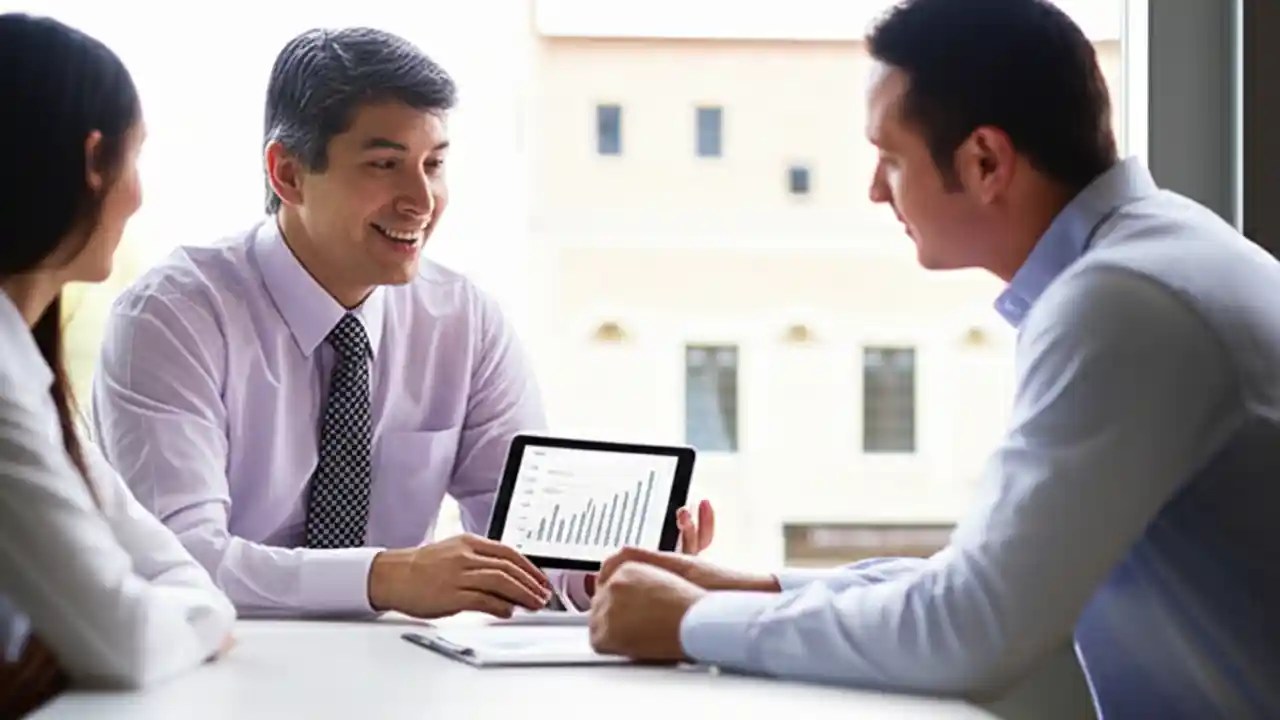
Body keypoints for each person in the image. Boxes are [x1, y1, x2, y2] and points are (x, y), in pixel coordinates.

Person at [586, 0, 1280, 717]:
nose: (874, 189)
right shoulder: (1158, 258)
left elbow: (972, 627)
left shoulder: (1122, 304)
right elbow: (985, 577)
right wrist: (750, 590)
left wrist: (689, 624)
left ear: (985, 161)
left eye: (890, 156)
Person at [90, 26, 714, 621]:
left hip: (400, 674)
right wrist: (384, 576)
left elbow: (519, 542)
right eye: (385, 165)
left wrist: (605, 574)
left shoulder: (464, 323)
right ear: (288, 173)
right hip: (212, 668)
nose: (422, 200)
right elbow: (182, 558)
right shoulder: (171, 319)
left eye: (434, 164)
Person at [0, 13, 236, 715]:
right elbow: (126, 637)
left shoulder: (28, 371)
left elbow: (171, 570)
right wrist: (193, 621)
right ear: (93, 160)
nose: (139, 194)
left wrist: (162, 617)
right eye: (136, 160)